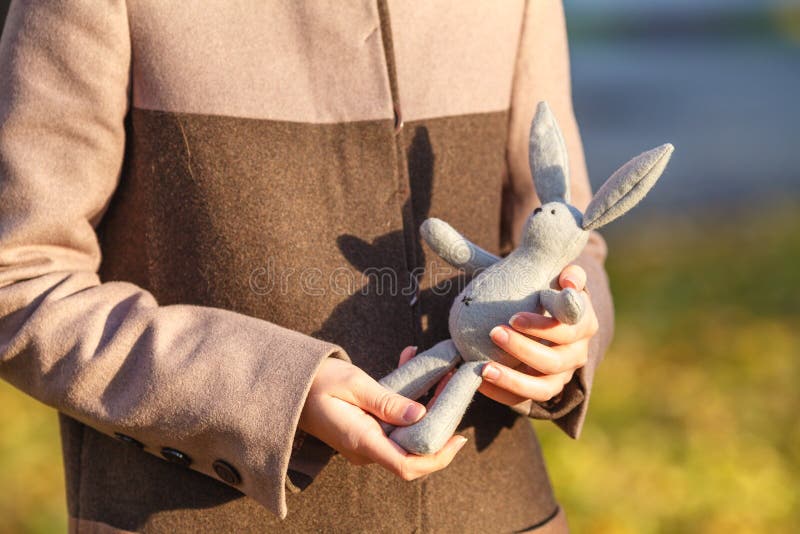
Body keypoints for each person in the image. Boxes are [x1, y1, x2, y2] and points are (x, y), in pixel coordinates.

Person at [0, 1, 613, 532]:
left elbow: (569, 235)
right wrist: (271, 394)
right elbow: (21, 277)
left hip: (500, 513)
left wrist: (567, 346)